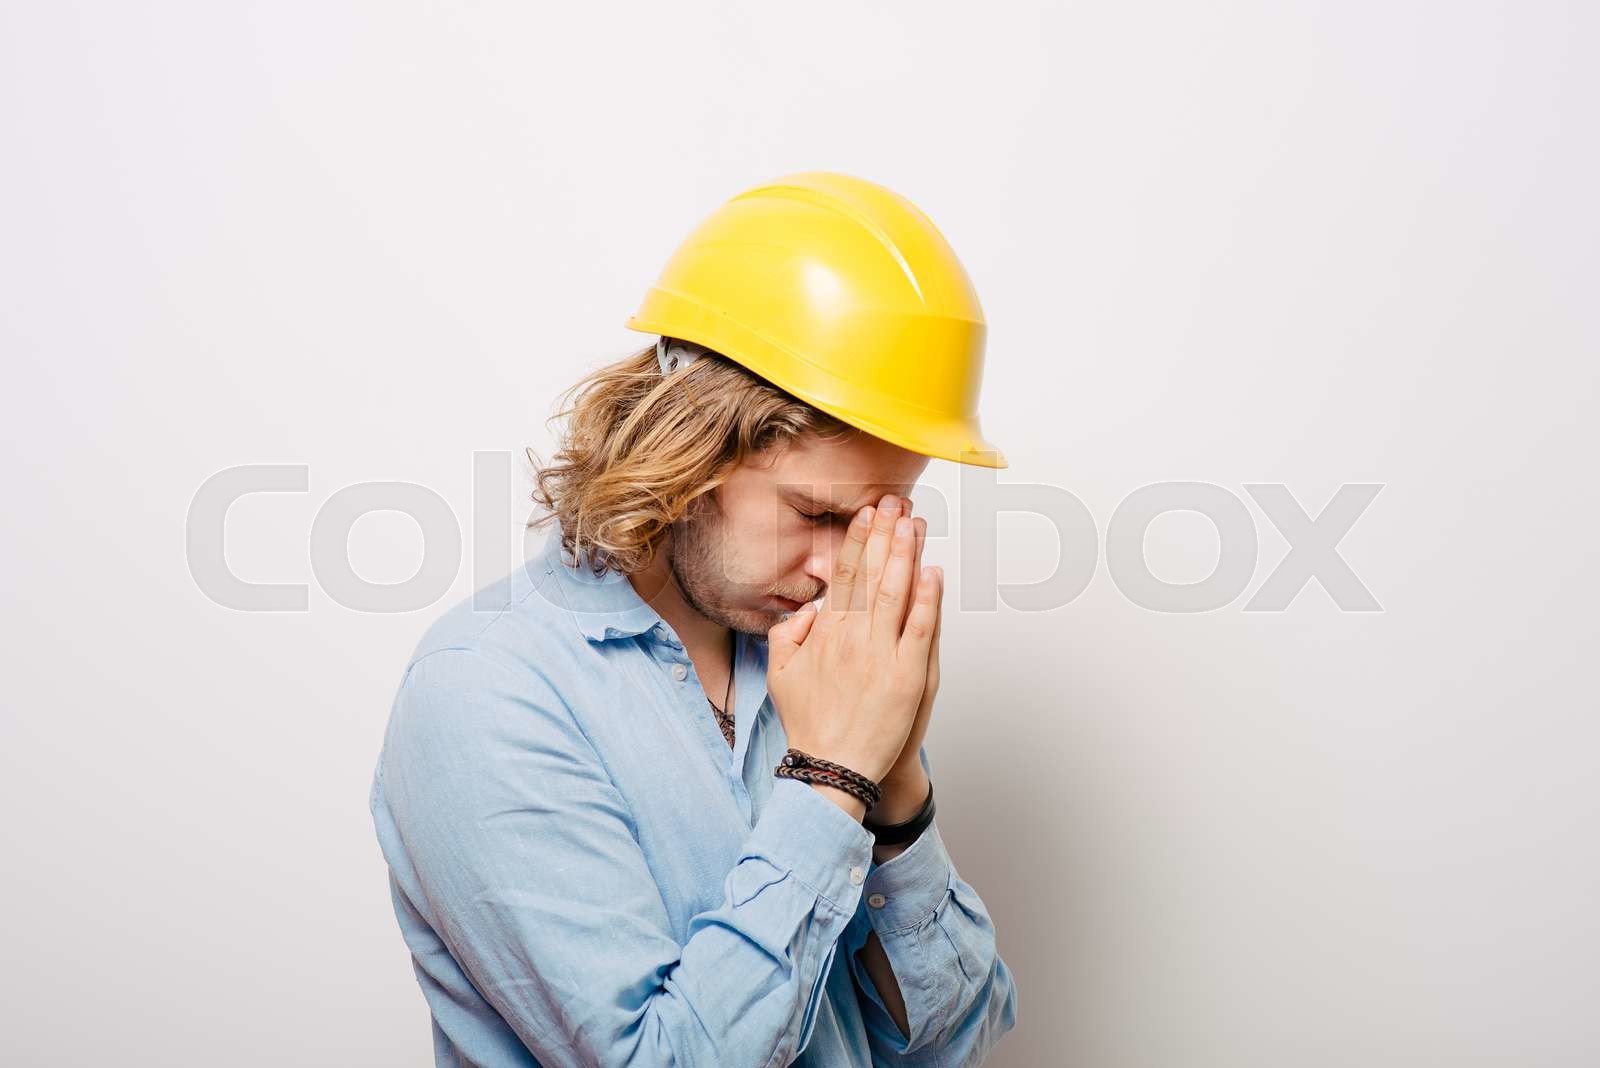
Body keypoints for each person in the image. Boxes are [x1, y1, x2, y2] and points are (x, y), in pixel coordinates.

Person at [370, 172, 1020, 1065]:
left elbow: (949, 1044)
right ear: (688, 449)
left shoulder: (818, 670)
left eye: (876, 517)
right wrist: (832, 782)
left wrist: (896, 784)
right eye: (816, 513)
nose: (836, 570)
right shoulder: (486, 693)